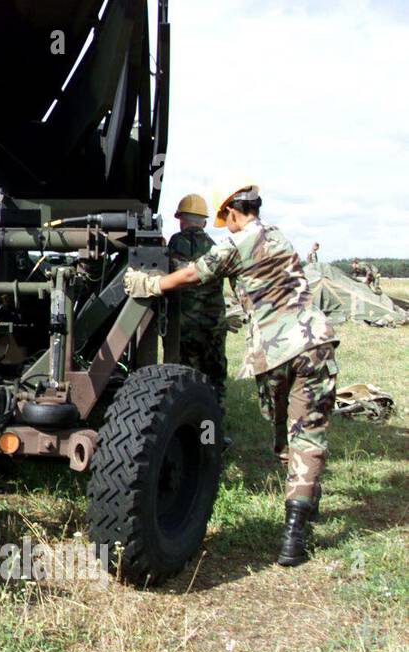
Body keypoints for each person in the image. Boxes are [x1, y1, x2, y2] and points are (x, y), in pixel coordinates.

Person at [125, 184, 338, 567]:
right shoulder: (279, 236)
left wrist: (152, 284)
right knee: (307, 434)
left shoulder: (234, 246)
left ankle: (296, 526)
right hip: (316, 342)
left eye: (230, 221)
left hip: (275, 352)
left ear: (235, 213)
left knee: (288, 435)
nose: (229, 227)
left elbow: (193, 274)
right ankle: (300, 515)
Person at [167, 193, 227, 405]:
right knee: (214, 371)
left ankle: (186, 413)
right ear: (204, 222)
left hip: (183, 323)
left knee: (183, 373)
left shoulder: (174, 243)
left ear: (181, 220)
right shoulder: (215, 247)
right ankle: (215, 416)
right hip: (213, 322)